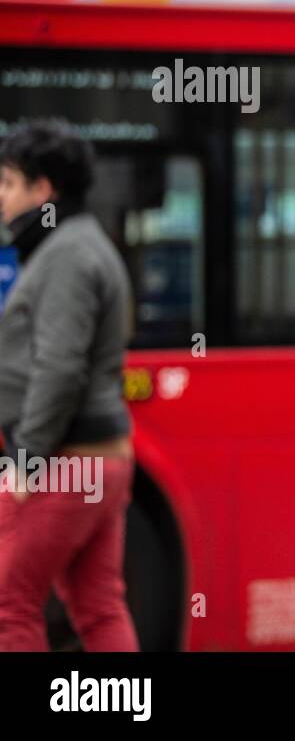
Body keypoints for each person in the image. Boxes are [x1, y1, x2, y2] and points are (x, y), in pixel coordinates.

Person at [0, 120, 138, 652]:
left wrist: (27, 457)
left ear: (43, 190)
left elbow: (59, 367)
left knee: (9, 602)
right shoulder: (83, 243)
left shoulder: (67, 256)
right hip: (99, 462)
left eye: (9, 184)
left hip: (66, 461)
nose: (2, 199)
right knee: (99, 606)